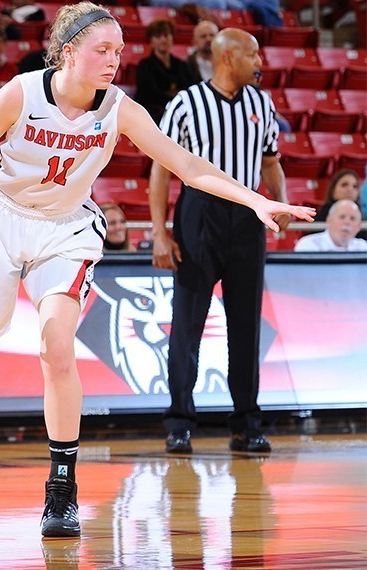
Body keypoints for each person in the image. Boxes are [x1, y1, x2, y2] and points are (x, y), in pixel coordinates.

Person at [0, 2, 312, 539]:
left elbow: (187, 165)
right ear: (68, 52)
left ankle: (62, 490)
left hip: (64, 228)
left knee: (58, 349)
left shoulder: (120, 108)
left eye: (119, 51)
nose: (114, 60)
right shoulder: (21, 92)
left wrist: (256, 200)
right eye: (102, 50)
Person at [149, 28, 300, 456]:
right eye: (253, 54)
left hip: (248, 215)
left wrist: (281, 202)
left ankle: (246, 423)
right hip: (199, 215)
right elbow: (160, 171)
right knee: (188, 324)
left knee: (246, 325)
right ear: (228, 58)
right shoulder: (185, 103)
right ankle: (179, 422)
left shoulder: (262, 103)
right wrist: (159, 233)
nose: (260, 62)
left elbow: (270, 163)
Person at [136, 19, 196, 124]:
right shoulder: (145, 65)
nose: (163, 39)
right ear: (151, 41)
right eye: (158, 36)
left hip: (182, 111)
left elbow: (191, 88)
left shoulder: (182, 64)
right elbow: (149, 94)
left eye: (167, 35)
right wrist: (176, 96)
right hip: (154, 116)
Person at [295, 199, 367, 252]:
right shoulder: (308, 245)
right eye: (342, 217)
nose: (347, 222)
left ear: (359, 226)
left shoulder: (363, 247)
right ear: (329, 220)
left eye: (352, 218)